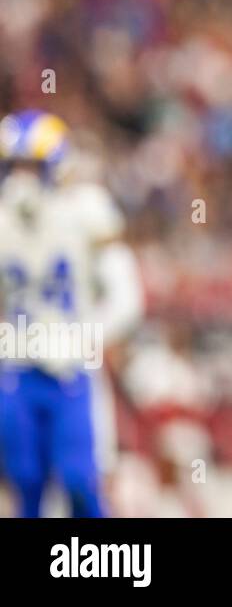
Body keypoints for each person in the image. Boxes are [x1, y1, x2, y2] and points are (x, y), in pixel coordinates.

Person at [0, 110, 143, 517]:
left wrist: (83, 337)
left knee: (80, 480)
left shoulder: (85, 212)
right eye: (14, 166)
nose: (21, 179)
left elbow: (127, 296)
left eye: (31, 166)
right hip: (16, 368)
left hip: (70, 371)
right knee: (25, 482)